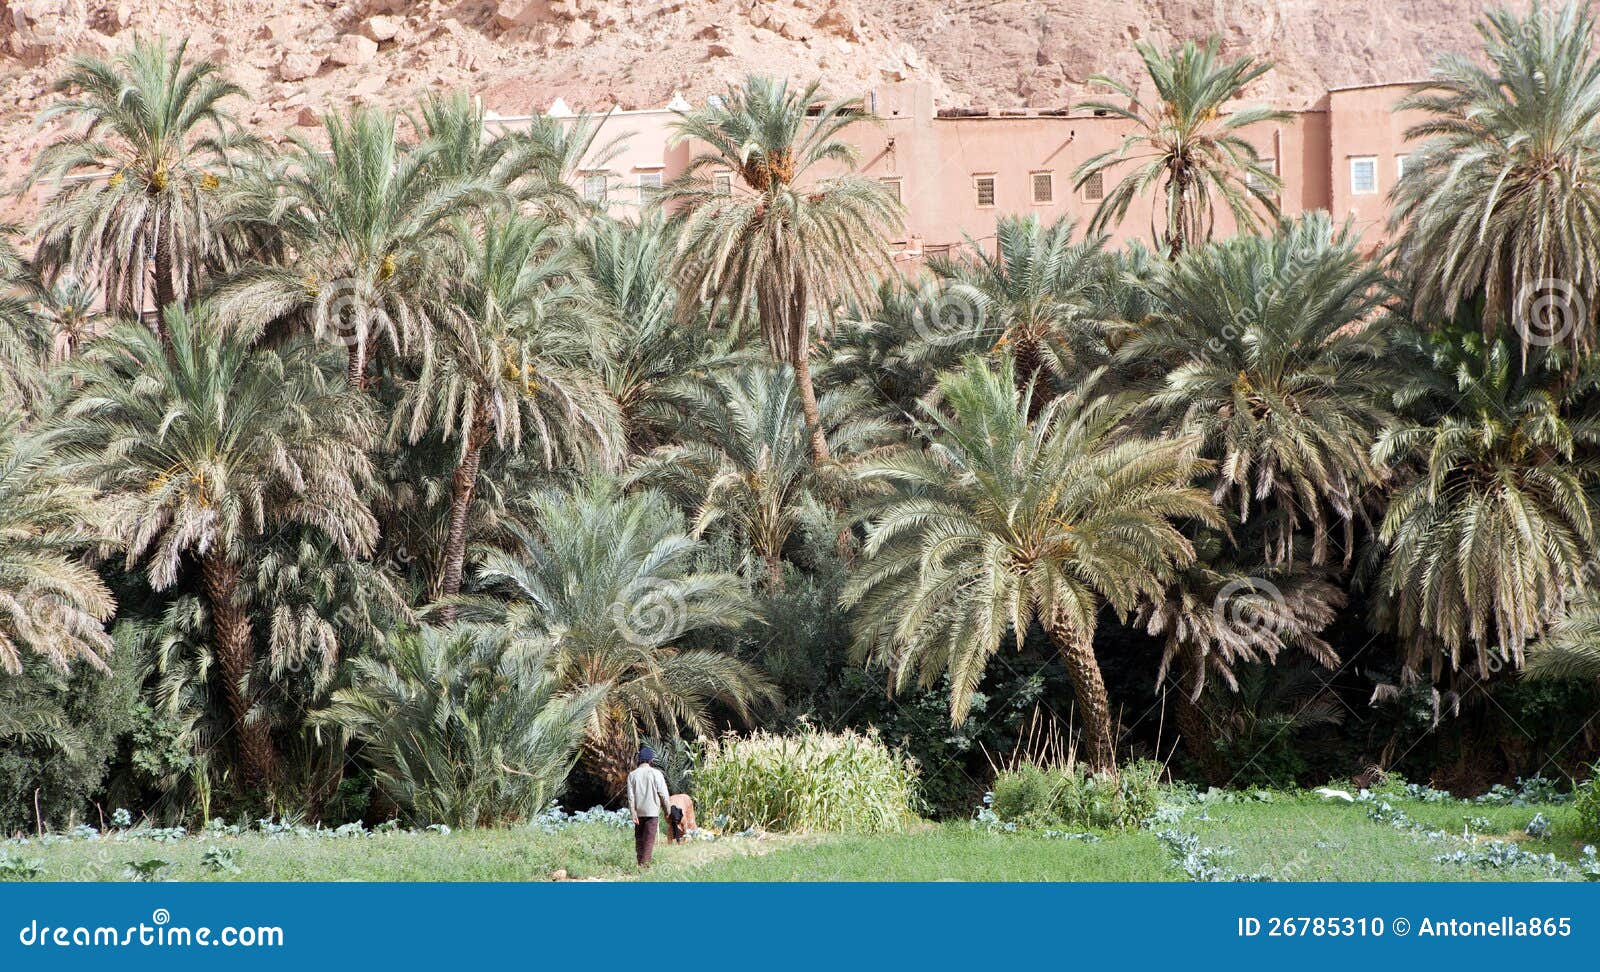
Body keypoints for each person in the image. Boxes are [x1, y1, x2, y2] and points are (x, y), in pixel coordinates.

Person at [626, 747, 670, 867]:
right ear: (651, 760)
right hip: (652, 813)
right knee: (649, 841)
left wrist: (633, 813)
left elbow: (631, 797)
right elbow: (663, 795)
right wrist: (667, 811)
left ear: (639, 759)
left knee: (639, 839)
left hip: (638, 813)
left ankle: (640, 863)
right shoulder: (657, 774)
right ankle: (644, 867)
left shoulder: (632, 775)